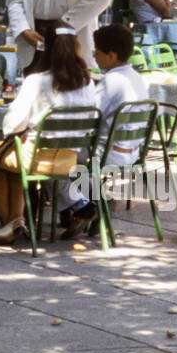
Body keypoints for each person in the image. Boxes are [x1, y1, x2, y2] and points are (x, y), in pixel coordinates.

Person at [0, 29, 97, 245]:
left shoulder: (36, 81)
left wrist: (9, 131)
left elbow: (14, 123)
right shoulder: (88, 83)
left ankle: (12, 223)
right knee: (13, 160)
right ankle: (15, 223)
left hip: (35, 157)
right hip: (69, 159)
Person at [58, 23, 150, 239]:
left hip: (108, 153)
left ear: (111, 55)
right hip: (132, 152)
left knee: (55, 160)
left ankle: (87, 201)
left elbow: (89, 115)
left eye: (96, 52)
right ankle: (89, 201)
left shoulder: (111, 82)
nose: (94, 56)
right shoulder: (138, 79)